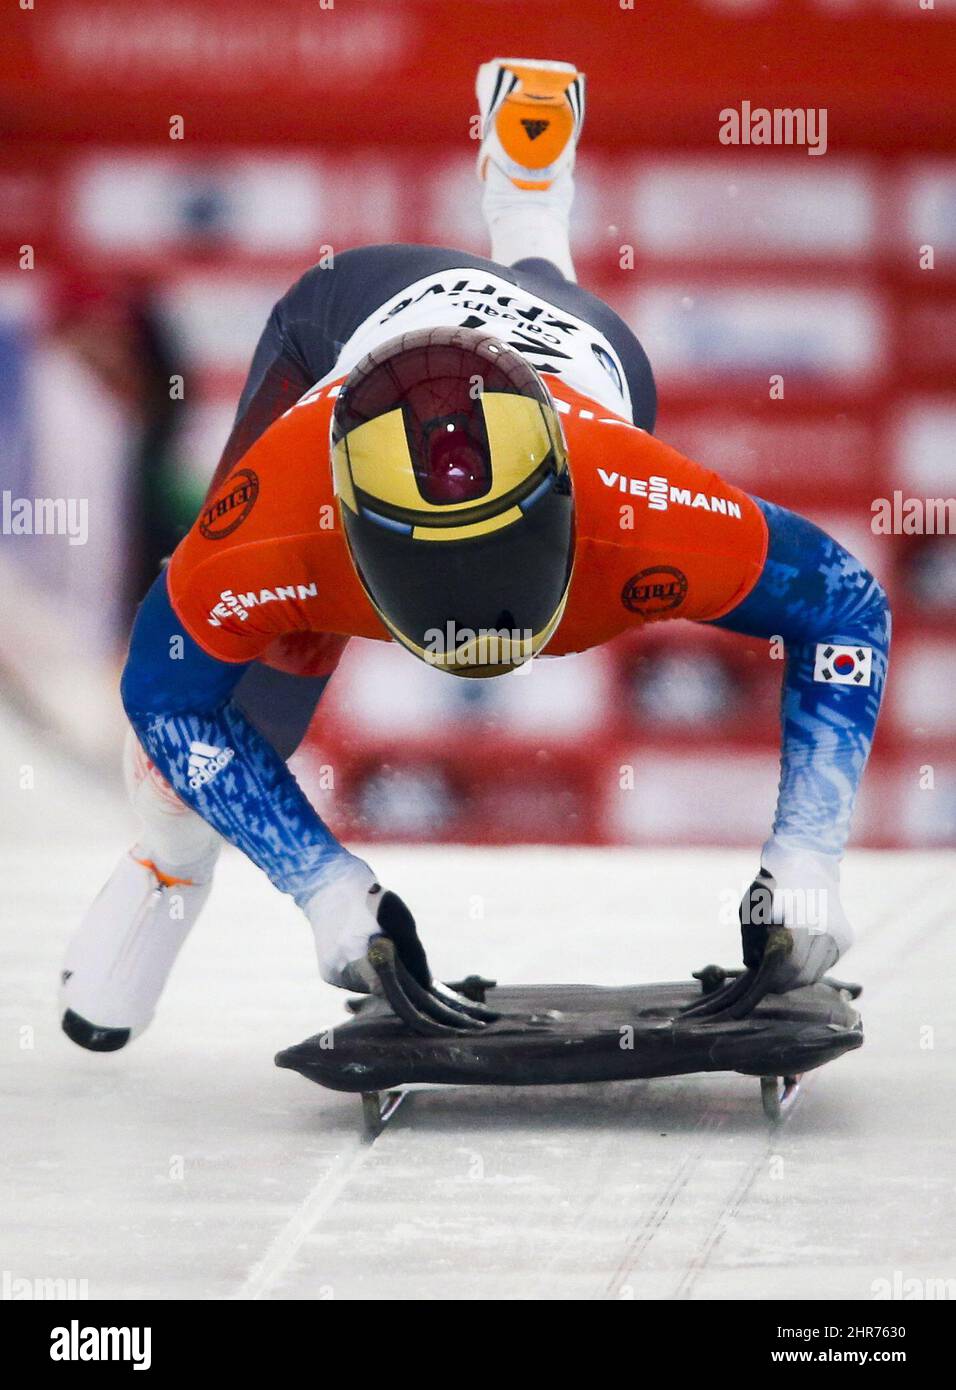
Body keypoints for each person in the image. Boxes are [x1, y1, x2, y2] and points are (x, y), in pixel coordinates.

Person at [61, 57, 890, 1048]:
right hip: (350, 316)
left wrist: (804, 866)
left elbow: (846, 608)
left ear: (570, 518)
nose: (470, 643)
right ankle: (169, 861)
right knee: (250, 698)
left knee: (233, 690)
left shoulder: (643, 505)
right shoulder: (277, 524)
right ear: (359, 545)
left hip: (581, 355)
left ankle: (532, 206)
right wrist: (326, 889)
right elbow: (165, 703)